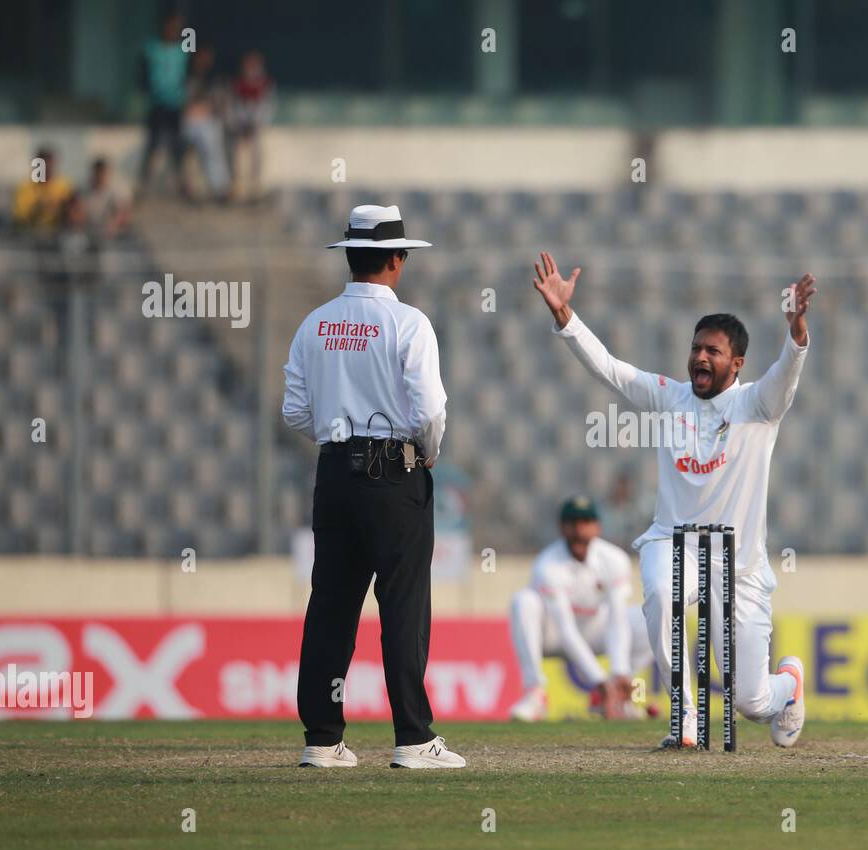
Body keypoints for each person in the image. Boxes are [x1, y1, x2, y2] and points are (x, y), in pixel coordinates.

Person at [533, 251, 816, 749]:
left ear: (737, 363)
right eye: (696, 349)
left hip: (741, 565)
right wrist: (565, 316)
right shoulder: (670, 397)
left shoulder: (757, 405)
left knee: (750, 703)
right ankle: (684, 720)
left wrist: (795, 335)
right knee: (662, 593)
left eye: (713, 351)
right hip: (674, 540)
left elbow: (785, 377)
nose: (700, 358)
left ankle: (789, 682)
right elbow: (612, 372)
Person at [282, 204, 465, 770]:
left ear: (350, 258)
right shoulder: (409, 323)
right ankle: (412, 737)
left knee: (331, 606)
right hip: (395, 473)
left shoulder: (314, 323)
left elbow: (295, 411)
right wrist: (423, 455)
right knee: (403, 607)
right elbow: (430, 410)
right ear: (396, 259)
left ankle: (322, 737)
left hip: (333, 472)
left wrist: (340, 436)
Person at [508, 495, 655, 722]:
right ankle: (535, 694)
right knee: (523, 601)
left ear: (597, 527)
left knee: (649, 618)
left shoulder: (614, 559)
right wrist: (598, 680)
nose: (579, 530)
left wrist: (619, 671)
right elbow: (566, 629)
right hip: (554, 635)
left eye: (585, 522)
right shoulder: (547, 565)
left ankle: (620, 695)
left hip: (595, 628)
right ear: (562, 528)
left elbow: (617, 618)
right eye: (572, 523)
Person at [137, 11, 190, 198]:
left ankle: (182, 185)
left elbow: (188, 75)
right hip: (157, 104)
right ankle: (144, 186)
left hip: (175, 104)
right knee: (153, 145)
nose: (174, 31)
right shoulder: (151, 48)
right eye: (172, 26)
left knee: (177, 146)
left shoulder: (182, 51)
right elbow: (141, 75)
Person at [181, 46, 232, 203]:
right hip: (189, 123)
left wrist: (205, 109)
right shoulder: (187, 77)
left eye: (207, 57)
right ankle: (196, 190)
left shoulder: (217, 79)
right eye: (201, 57)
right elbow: (182, 104)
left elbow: (221, 104)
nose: (203, 61)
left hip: (211, 122)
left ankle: (220, 189)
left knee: (211, 147)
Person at [227, 51, 274, 203]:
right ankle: (237, 187)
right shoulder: (237, 83)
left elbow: (267, 107)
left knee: (258, 153)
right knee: (237, 154)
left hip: (256, 126)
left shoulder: (265, 83)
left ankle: (255, 188)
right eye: (249, 64)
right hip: (240, 126)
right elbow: (233, 106)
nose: (252, 68)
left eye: (255, 65)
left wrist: (255, 123)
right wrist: (241, 123)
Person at [11, 146, 73, 234]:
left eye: (50, 162)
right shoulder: (25, 188)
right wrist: (38, 209)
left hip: (59, 234)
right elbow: (20, 218)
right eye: (43, 163)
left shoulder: (65, 187)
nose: (47, 168)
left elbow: (74, 215)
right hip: (31, 234)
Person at [79, 158, 132, 239]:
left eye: (103, 173)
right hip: (87, 232)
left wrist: (113, 225)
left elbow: (122, 212)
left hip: (108, 233)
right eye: (98, 173)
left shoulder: (115, 192)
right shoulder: (84, 191)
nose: (100, 176)